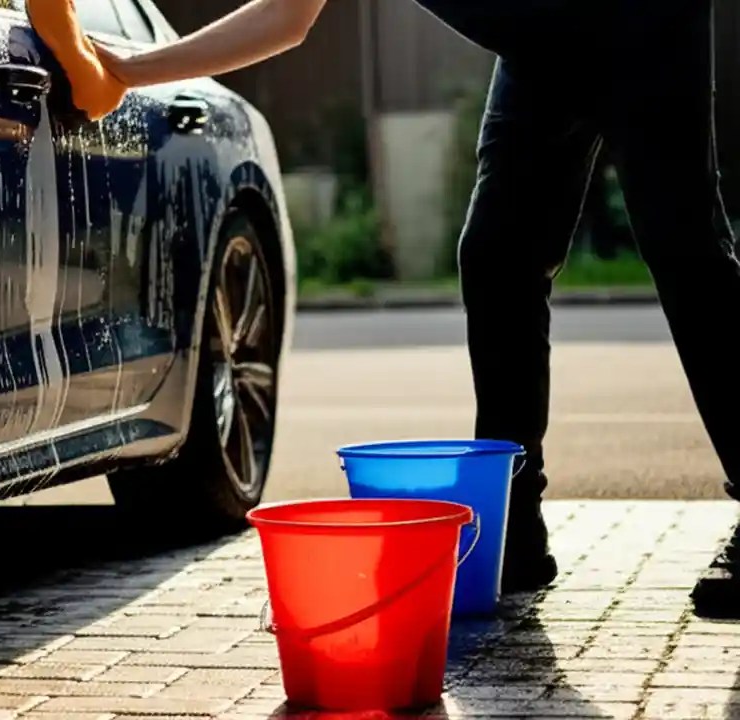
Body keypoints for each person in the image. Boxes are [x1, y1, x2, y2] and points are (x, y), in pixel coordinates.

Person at [92, 0, 740, 619]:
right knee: (496, 260)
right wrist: (127, 69)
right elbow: (285, 18)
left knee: (687, 253)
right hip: (540, 56)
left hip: (641, 20)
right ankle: (514, 524)